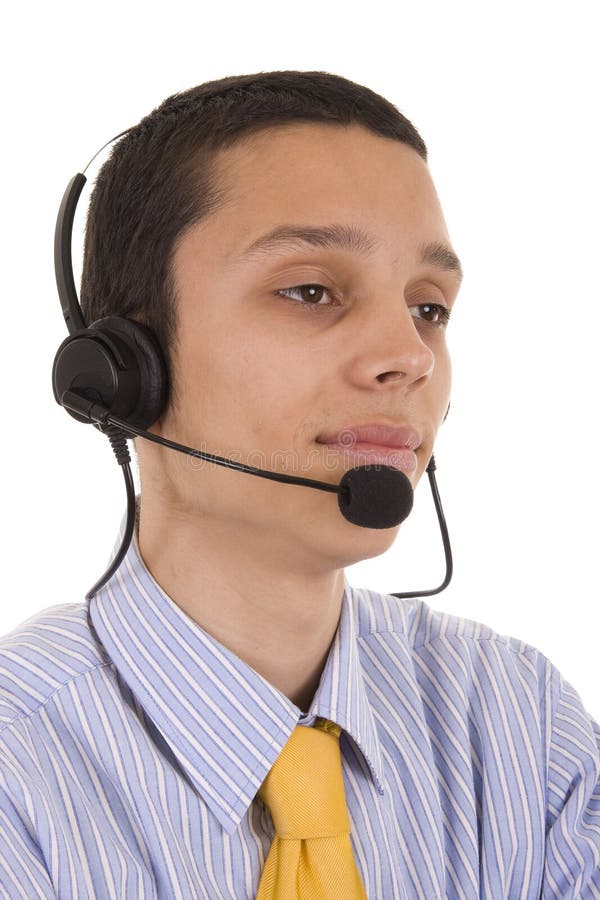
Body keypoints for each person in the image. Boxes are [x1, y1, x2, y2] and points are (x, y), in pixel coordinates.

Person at [0, 70, 598, 899]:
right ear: (122, 374)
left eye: (428, 307)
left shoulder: (522, 729)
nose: (410, 356)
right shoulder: (15, 770)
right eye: (311, 290)